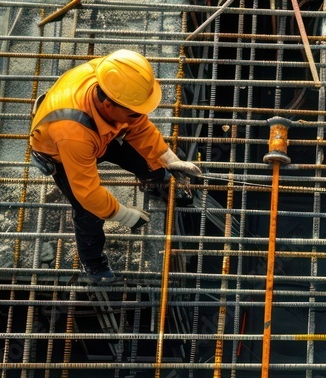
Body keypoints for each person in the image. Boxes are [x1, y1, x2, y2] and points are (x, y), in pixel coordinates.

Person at [30, 49, 202, 285]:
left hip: (100, 133)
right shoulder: (73, 134)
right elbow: (89, 194)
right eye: (134, 113)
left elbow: (139, 127)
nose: (139, 116)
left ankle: (157, 184)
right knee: (89, 211)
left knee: (149, 161)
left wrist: (168, 158)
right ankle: (93, 265)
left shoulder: (113, 79)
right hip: (62, 152)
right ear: (109, 105)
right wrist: (124, 215)